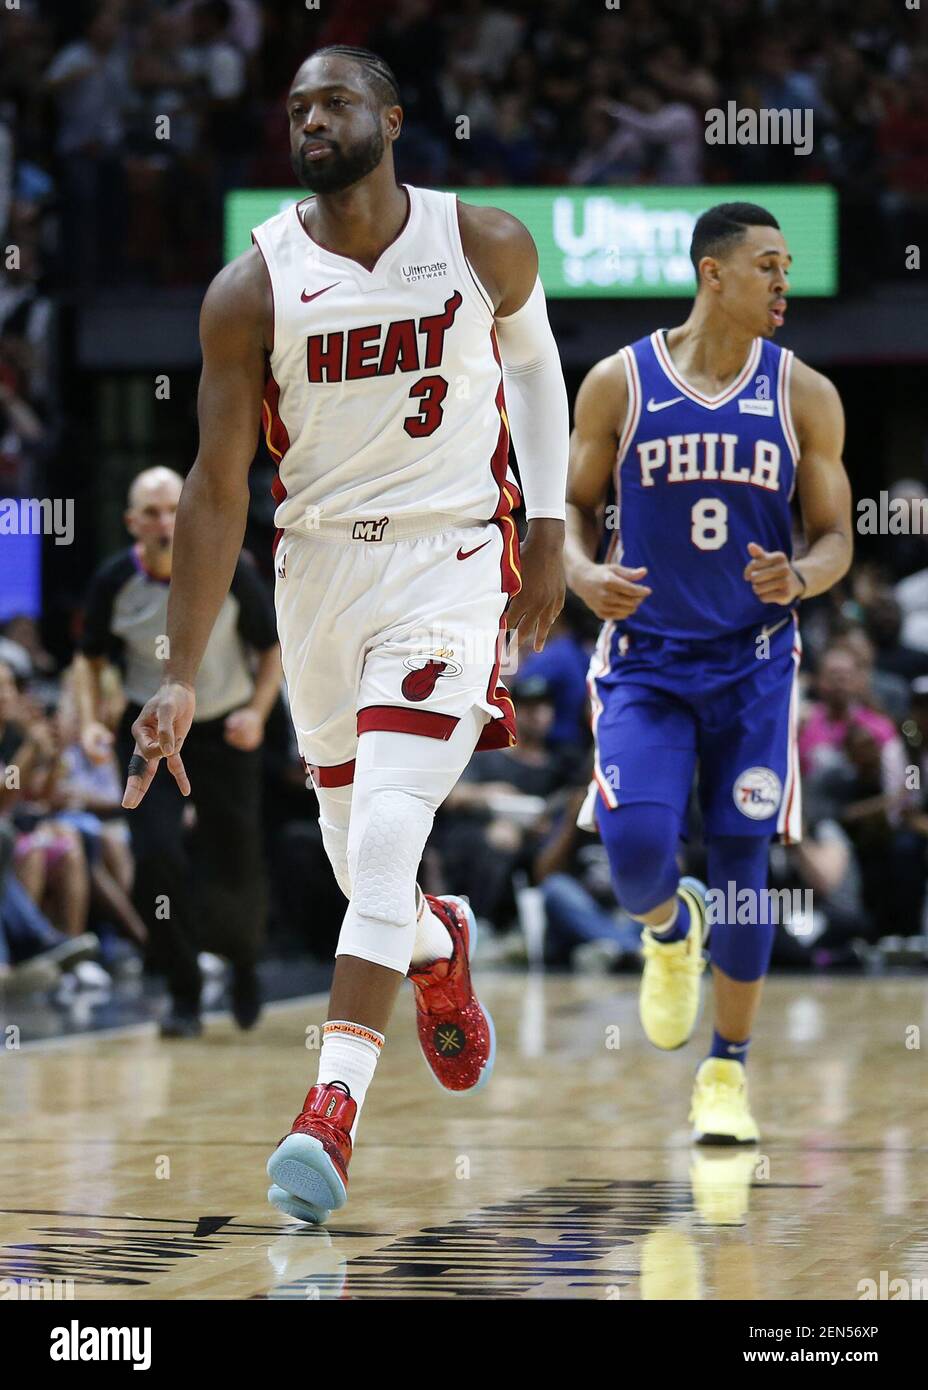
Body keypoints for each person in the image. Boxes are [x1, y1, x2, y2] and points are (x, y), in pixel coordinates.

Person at [118, 47, 568, 1223]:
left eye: (334, 101)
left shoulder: (484, 242)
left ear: (391, 116)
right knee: (352, 849)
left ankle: (330, 1110)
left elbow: (534, 364)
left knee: (380, 834)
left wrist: (557, 525)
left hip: (453, 555)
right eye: (298, 107)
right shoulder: (250, 288)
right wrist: (176, 676)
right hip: (320, 569)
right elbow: (219, 491)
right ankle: (435, 938)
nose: (312, 119)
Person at [565, 202, 853, 1144]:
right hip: (646, 662)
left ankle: (726, 1074)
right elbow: (568, 511)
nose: (784, 283)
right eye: (767, 265)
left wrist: (801, 575)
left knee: (743, 866)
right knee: (639, 856)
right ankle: (664, 930)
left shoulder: (803, 393)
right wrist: (580, 572)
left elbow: (838, 536)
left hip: (756, 664)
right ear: (712, 273)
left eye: (788, 267)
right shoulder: (619, 382)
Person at [74, 466, 282, 1036]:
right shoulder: (113, 581)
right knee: (156, 855)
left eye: (174, 510)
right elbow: (87, 661)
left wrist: (257, 715)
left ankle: (243, 962)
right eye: (153, 512)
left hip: (223, 730)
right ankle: (184, 990)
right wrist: (93, 722)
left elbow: (271, 650)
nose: (166, 522)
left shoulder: (230, 572)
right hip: (152, 735)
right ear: (131, 522)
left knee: (234, 856)